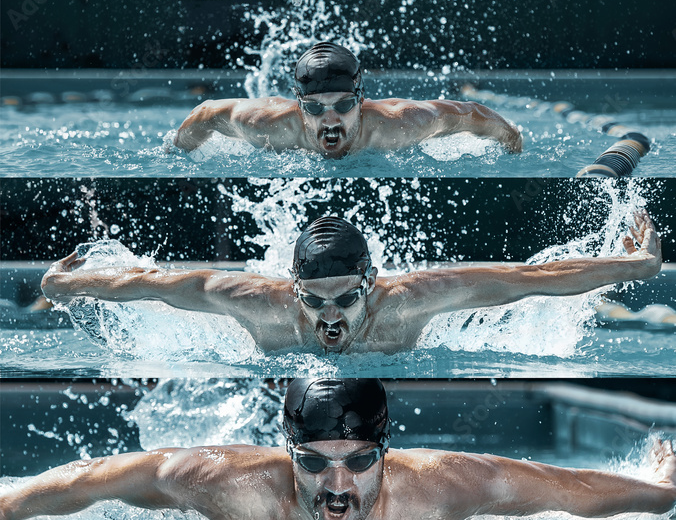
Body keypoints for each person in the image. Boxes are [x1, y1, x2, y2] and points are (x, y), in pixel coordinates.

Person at [1, 378, 674, 520]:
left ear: (387, 453)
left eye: (359, 461)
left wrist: (659, 493)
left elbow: (567, 489)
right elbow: (99, 477)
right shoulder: (229, 486)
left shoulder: (443, 488)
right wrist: (11, 505)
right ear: (287, 453)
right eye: (314, 463)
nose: (337, 486)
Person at [40, 210, 662, 354]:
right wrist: (67, 285)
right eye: (314, 301)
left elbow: (531, 279)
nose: (329, 314)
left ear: (371, 283)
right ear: (293, 290)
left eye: (345, 297)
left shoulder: (411, 301)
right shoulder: (256, 304)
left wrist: (634, 266)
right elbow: (151, 284)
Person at [168, 41, 523, 159]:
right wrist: (174, 152)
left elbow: (467, 113)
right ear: (298, 105)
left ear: (361, 98)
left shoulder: (399, 124)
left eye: (342, 105)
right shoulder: (269, 127)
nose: (330, 119)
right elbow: (207, 113)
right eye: (314, 107)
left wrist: (513, 143)